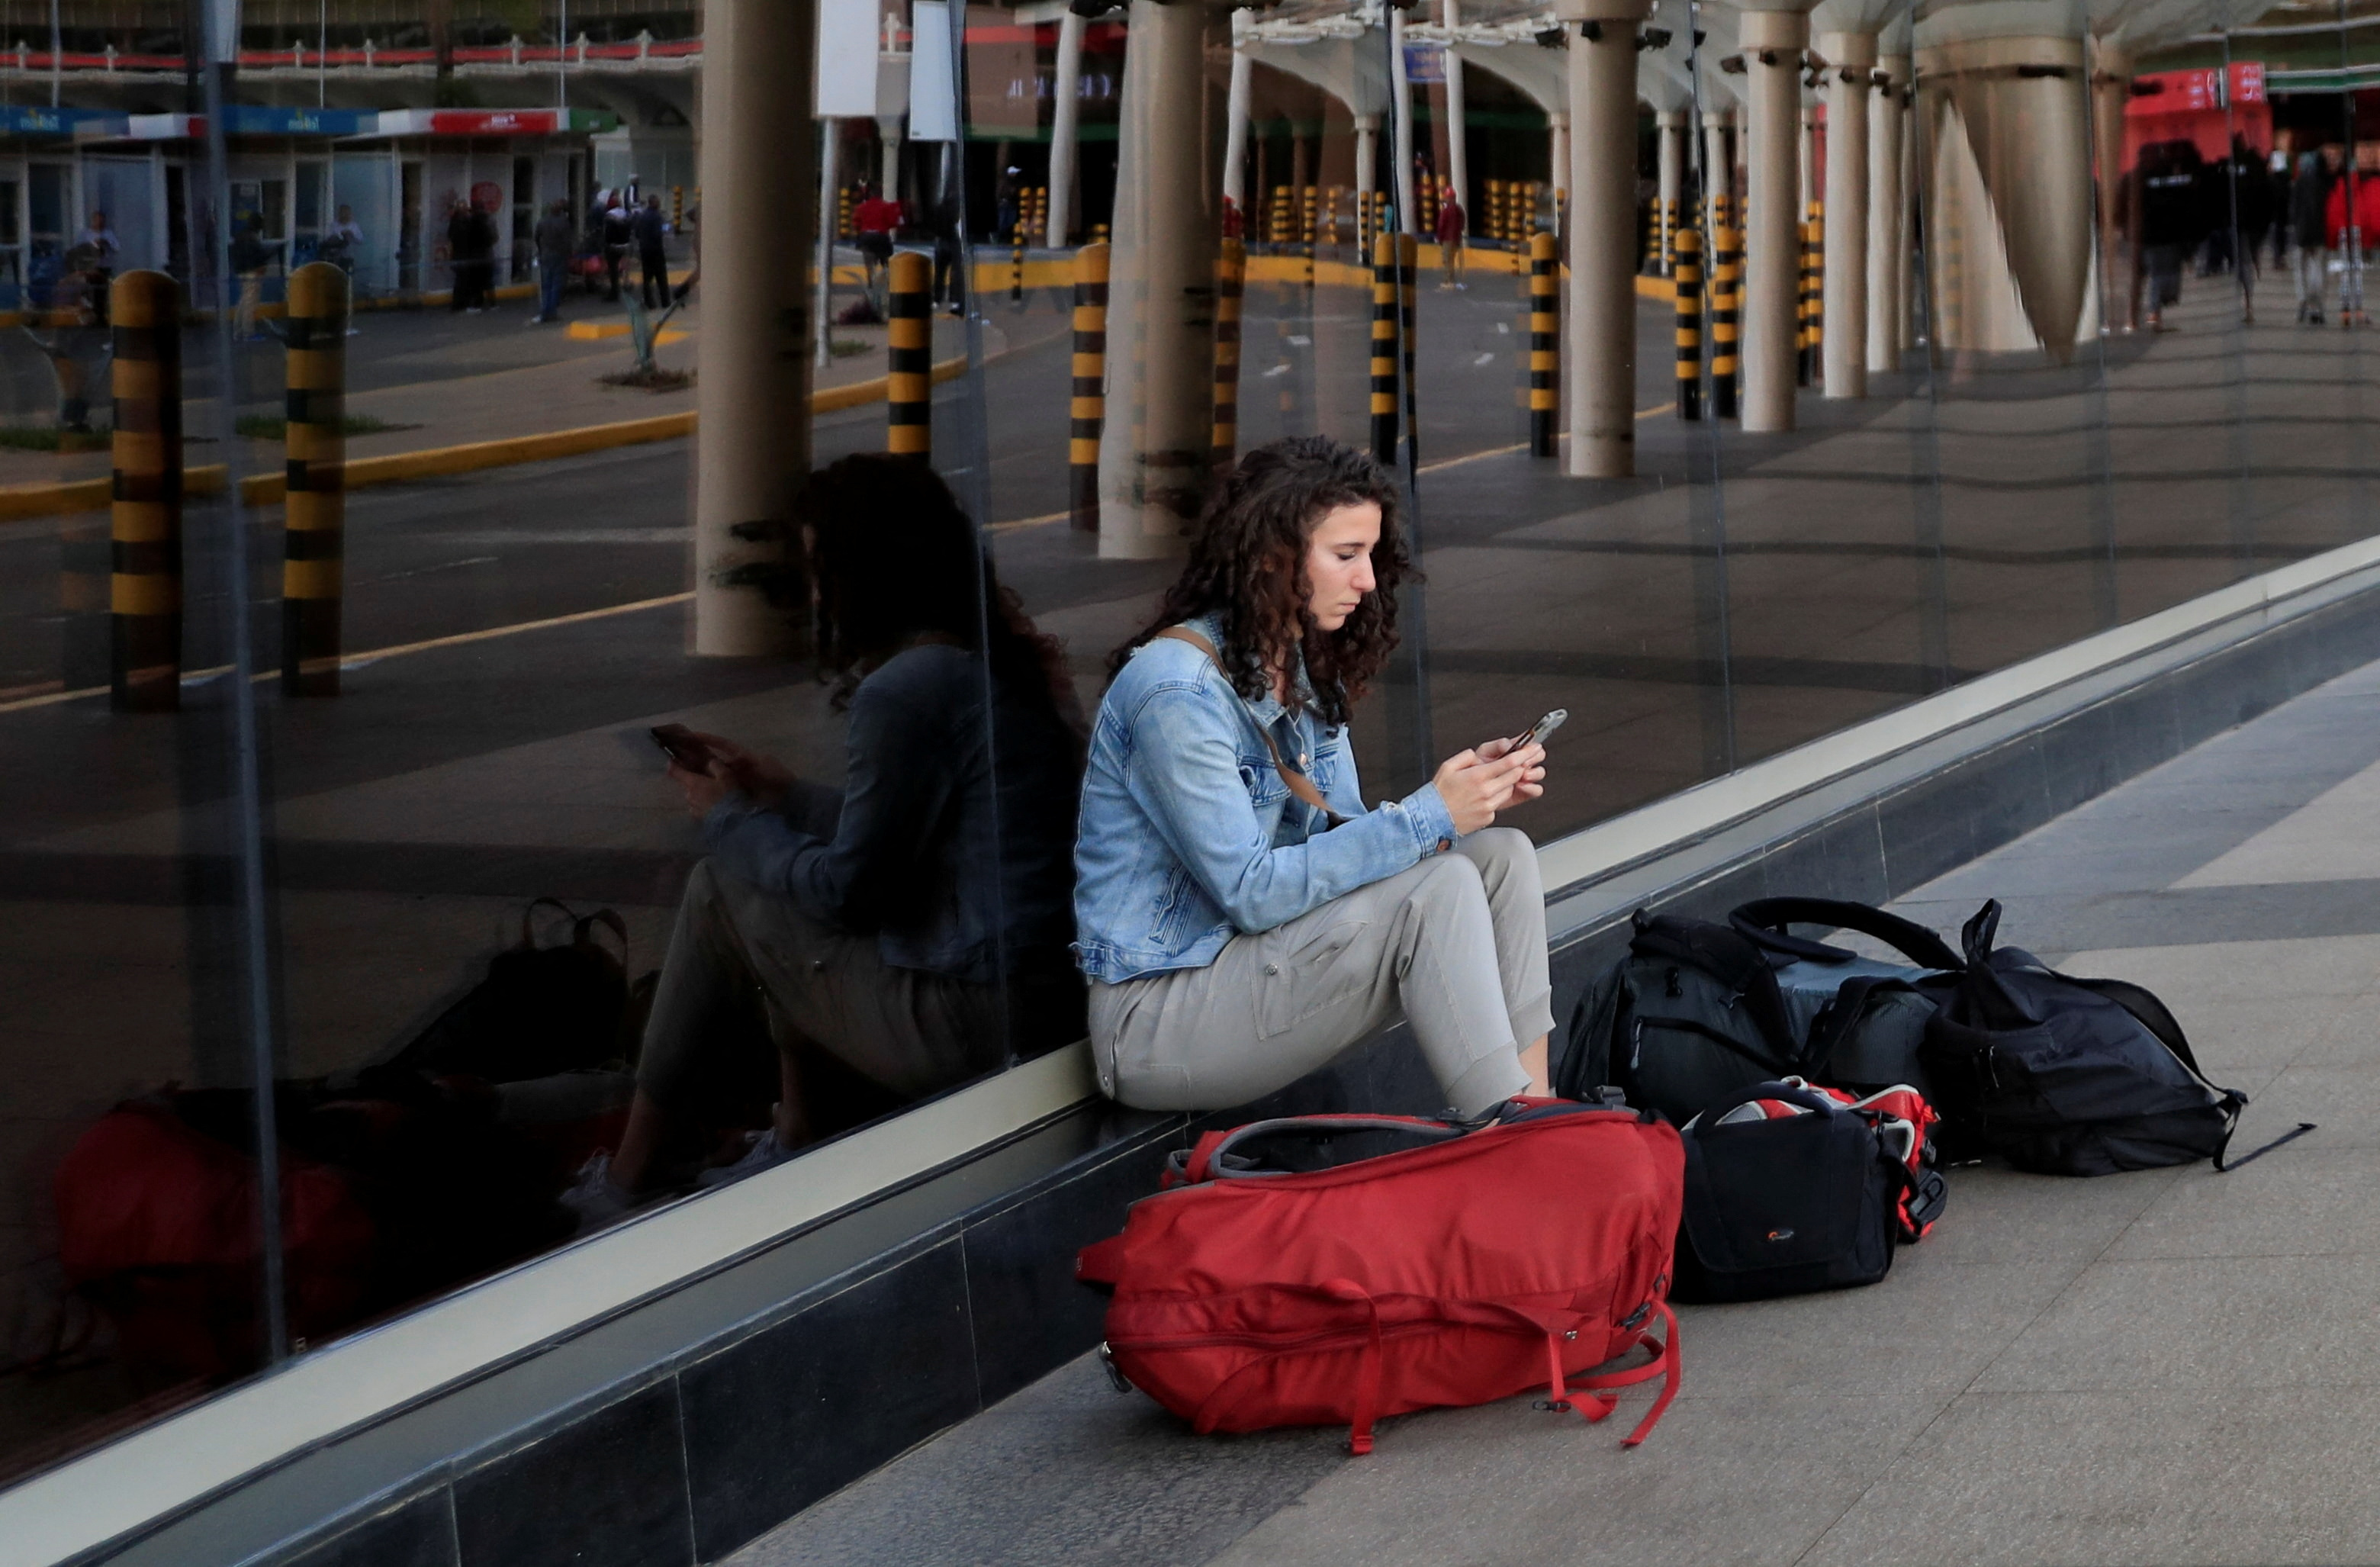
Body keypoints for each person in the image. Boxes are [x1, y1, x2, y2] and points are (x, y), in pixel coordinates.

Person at [562, 456, 1086, 1227]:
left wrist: (729, 816)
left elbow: (852, 893)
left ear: (860, 572)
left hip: (972, 1023)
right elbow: (924, 837)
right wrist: (783, 795)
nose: (813, 591)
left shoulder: (905, 689)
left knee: (724, 883)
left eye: (818, 566)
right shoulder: (986, 662)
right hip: (1038, 1004)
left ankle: (631, 1175)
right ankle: (796, 1131)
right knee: (763, 876)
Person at [1074, 436, 1554, 1121]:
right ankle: (1508, 1132)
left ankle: (1538, 1109)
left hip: (1259, 971)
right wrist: (1426, 819)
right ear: (1273, 557)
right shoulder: (1173, 692)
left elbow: (1345, 849)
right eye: (1346, 555)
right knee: (1440, 886)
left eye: (1370, 555)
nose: (1366, 580)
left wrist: (1465, 799)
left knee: (1500, 858)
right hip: (1158, 1020)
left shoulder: (1295, 668)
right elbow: (1252, 893)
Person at [2291, 146, 2335, 324]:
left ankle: (2303, 300)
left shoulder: (2300, 181)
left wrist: (2294, 225)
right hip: (2321, 230)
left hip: (2302, 231)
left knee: (2301, 268)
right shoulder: (2327, 182)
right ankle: (2317, 305)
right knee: (2318, 268)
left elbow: (2293, 208)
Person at [851, 182, 901, 311]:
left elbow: (856, 223)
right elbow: (893, 222)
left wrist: (860, 232)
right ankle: (889, 290)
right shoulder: (886, 207)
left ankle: (871, 287)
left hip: (866, 237)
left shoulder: (862, 208)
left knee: (869, 266)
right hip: (881, 237)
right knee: (886, 264)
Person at [531, 198, 573, 323]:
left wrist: (541, 249)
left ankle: (544, 312)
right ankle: (552, 312)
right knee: (556, 285)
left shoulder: (543, 221)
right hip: (559, 256)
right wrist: (568, 254)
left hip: (546, 255)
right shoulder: (563, 222)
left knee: (546, 285)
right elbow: (567, 241)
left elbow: (536, 237)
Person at [633, 192, 671, 309]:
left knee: (647, 278)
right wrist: (665, 230)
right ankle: (665, 302)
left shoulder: (642, 215)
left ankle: (649, 301)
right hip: (656, 250)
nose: (659, 204)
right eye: (658, 202)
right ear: (654, 203)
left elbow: (637, 233)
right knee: (661, 278)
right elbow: (657, 234)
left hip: (644, 249)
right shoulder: (657, 216)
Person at [600, 191, 633, 302]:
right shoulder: (626, 214)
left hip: (613, 246)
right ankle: (626, 284)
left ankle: (614, 292)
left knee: (613, 270)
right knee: (625, 267)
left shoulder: (609, 217)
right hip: (625, 245)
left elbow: (607, 234)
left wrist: (606, 243)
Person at [1436, 191, 1467, 288]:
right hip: (1456, 238)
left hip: (1447, 239)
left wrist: (1439, 238)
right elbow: (1463, 221)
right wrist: (1460, 230)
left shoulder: (1446, 211)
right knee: (1452, 260)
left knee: (1447, 260)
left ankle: (1449, 281)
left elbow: (1441, 226)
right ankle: (1451, 279)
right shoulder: (1459, 209)